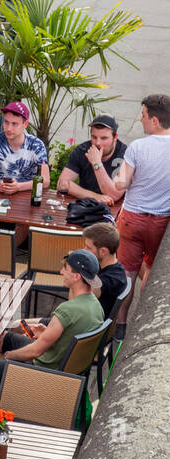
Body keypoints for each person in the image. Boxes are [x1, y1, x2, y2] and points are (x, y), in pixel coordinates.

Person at [0, 249, 105, 407]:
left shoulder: (67, 310)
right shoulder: (96, 306)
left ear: (77, 276)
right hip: (57, 363)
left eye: (65, 268)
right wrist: (46, 333)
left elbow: (35, 351)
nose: (61, 272)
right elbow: (69, 335)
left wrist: (7, 357)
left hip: (42, 372)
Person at [91, 93, 170, 323]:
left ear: (154, 120)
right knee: (151, 272)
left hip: (132, 220)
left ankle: (121, 328)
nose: (141, 120)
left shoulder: (138, 147)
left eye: (143, 115)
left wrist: (102, 168)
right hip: (161, 223)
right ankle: (143, 325)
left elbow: (119, 186)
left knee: (126, 277)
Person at [0, 101, 50, 195]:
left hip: (26, 194)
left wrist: (19, 187)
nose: (8, 128)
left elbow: (45, 180)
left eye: (14, 124)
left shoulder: (36, 145)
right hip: (0, 191)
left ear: (25, 124)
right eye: (6, 122)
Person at [57, 115, 126, 205]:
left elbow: (114, 195)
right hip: (86, 206)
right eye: (94, 137)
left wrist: (96, 164)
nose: (97, 143)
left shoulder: (126, 155)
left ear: (115, 137)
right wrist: (95, 197)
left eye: (104, 138)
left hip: (116, 210)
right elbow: (62, 184)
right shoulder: (82, 150)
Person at [82, 222, 128, 320]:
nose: (84, 250)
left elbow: (88, 295)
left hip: (88, 327)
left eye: (88, 247)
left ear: (103, 251)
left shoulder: (113, 279)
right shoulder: (103, 265)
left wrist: (78, 266)